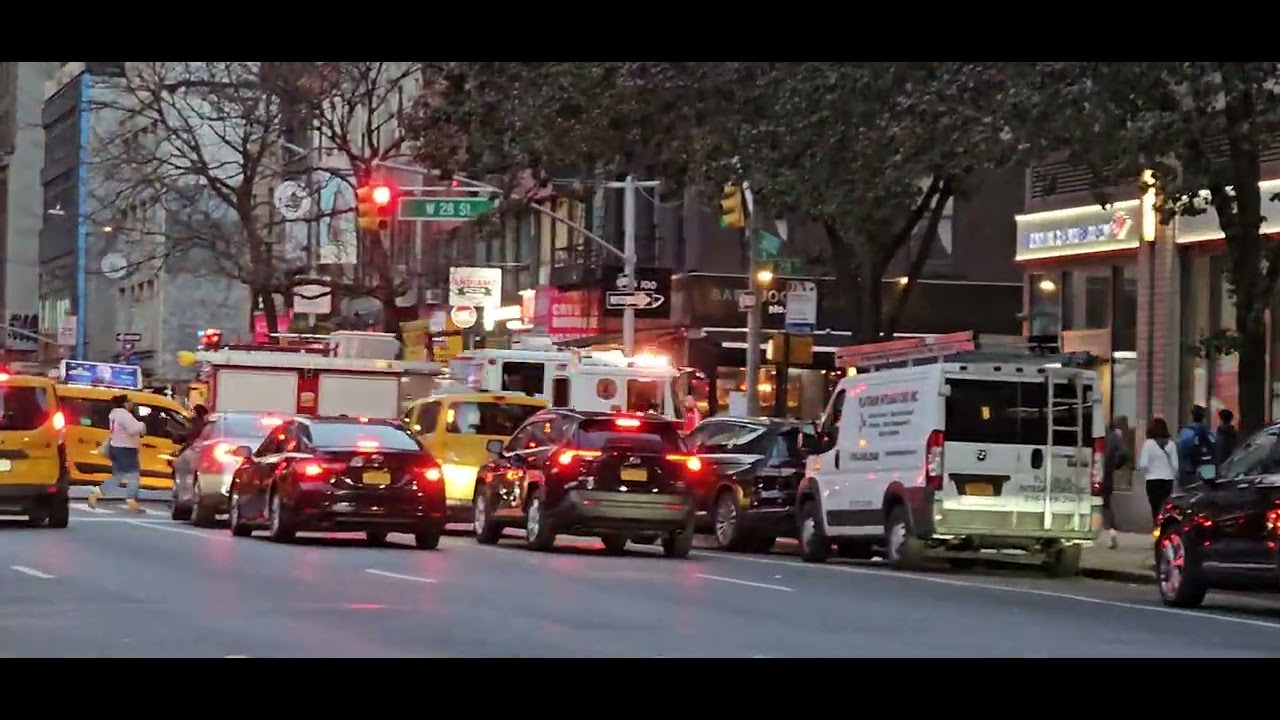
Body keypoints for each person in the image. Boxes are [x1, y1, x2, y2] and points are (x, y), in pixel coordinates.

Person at [87, 394, 147, 513]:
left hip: (117, 447)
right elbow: (133, 429)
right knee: (134, 475)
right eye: (130, 402)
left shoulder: (114, 414)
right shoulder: (123, 414)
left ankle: (96, 493)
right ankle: (131, 500)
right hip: (126, 448)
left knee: (118, 477)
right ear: (125, 404)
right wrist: (142, 425)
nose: (132, 404)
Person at [1139, 417, 1179, 525]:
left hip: (1152, 481)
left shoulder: (1148, 444)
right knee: (1166, 508)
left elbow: (1143, 464)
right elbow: (1176, 466)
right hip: (1167, 481)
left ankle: (1156, 527)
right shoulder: (1171, 444)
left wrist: (1148, 473)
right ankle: (1164, 530)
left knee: (1155, 508)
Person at [1100, 416, 1130, 549]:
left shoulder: (1095, 436)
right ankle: (1112, 534)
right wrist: (1114, 465)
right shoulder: (1113, 437)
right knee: (1106, 505)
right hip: (1106, 474)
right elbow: (1124, 453)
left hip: (1088, 472)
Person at [1176, 404, 1216, 488]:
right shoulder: (1205, 431)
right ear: (1203, 417)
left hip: (1186, 471)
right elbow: (1214, 447)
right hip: (1203, 471)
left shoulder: (1185, 431)